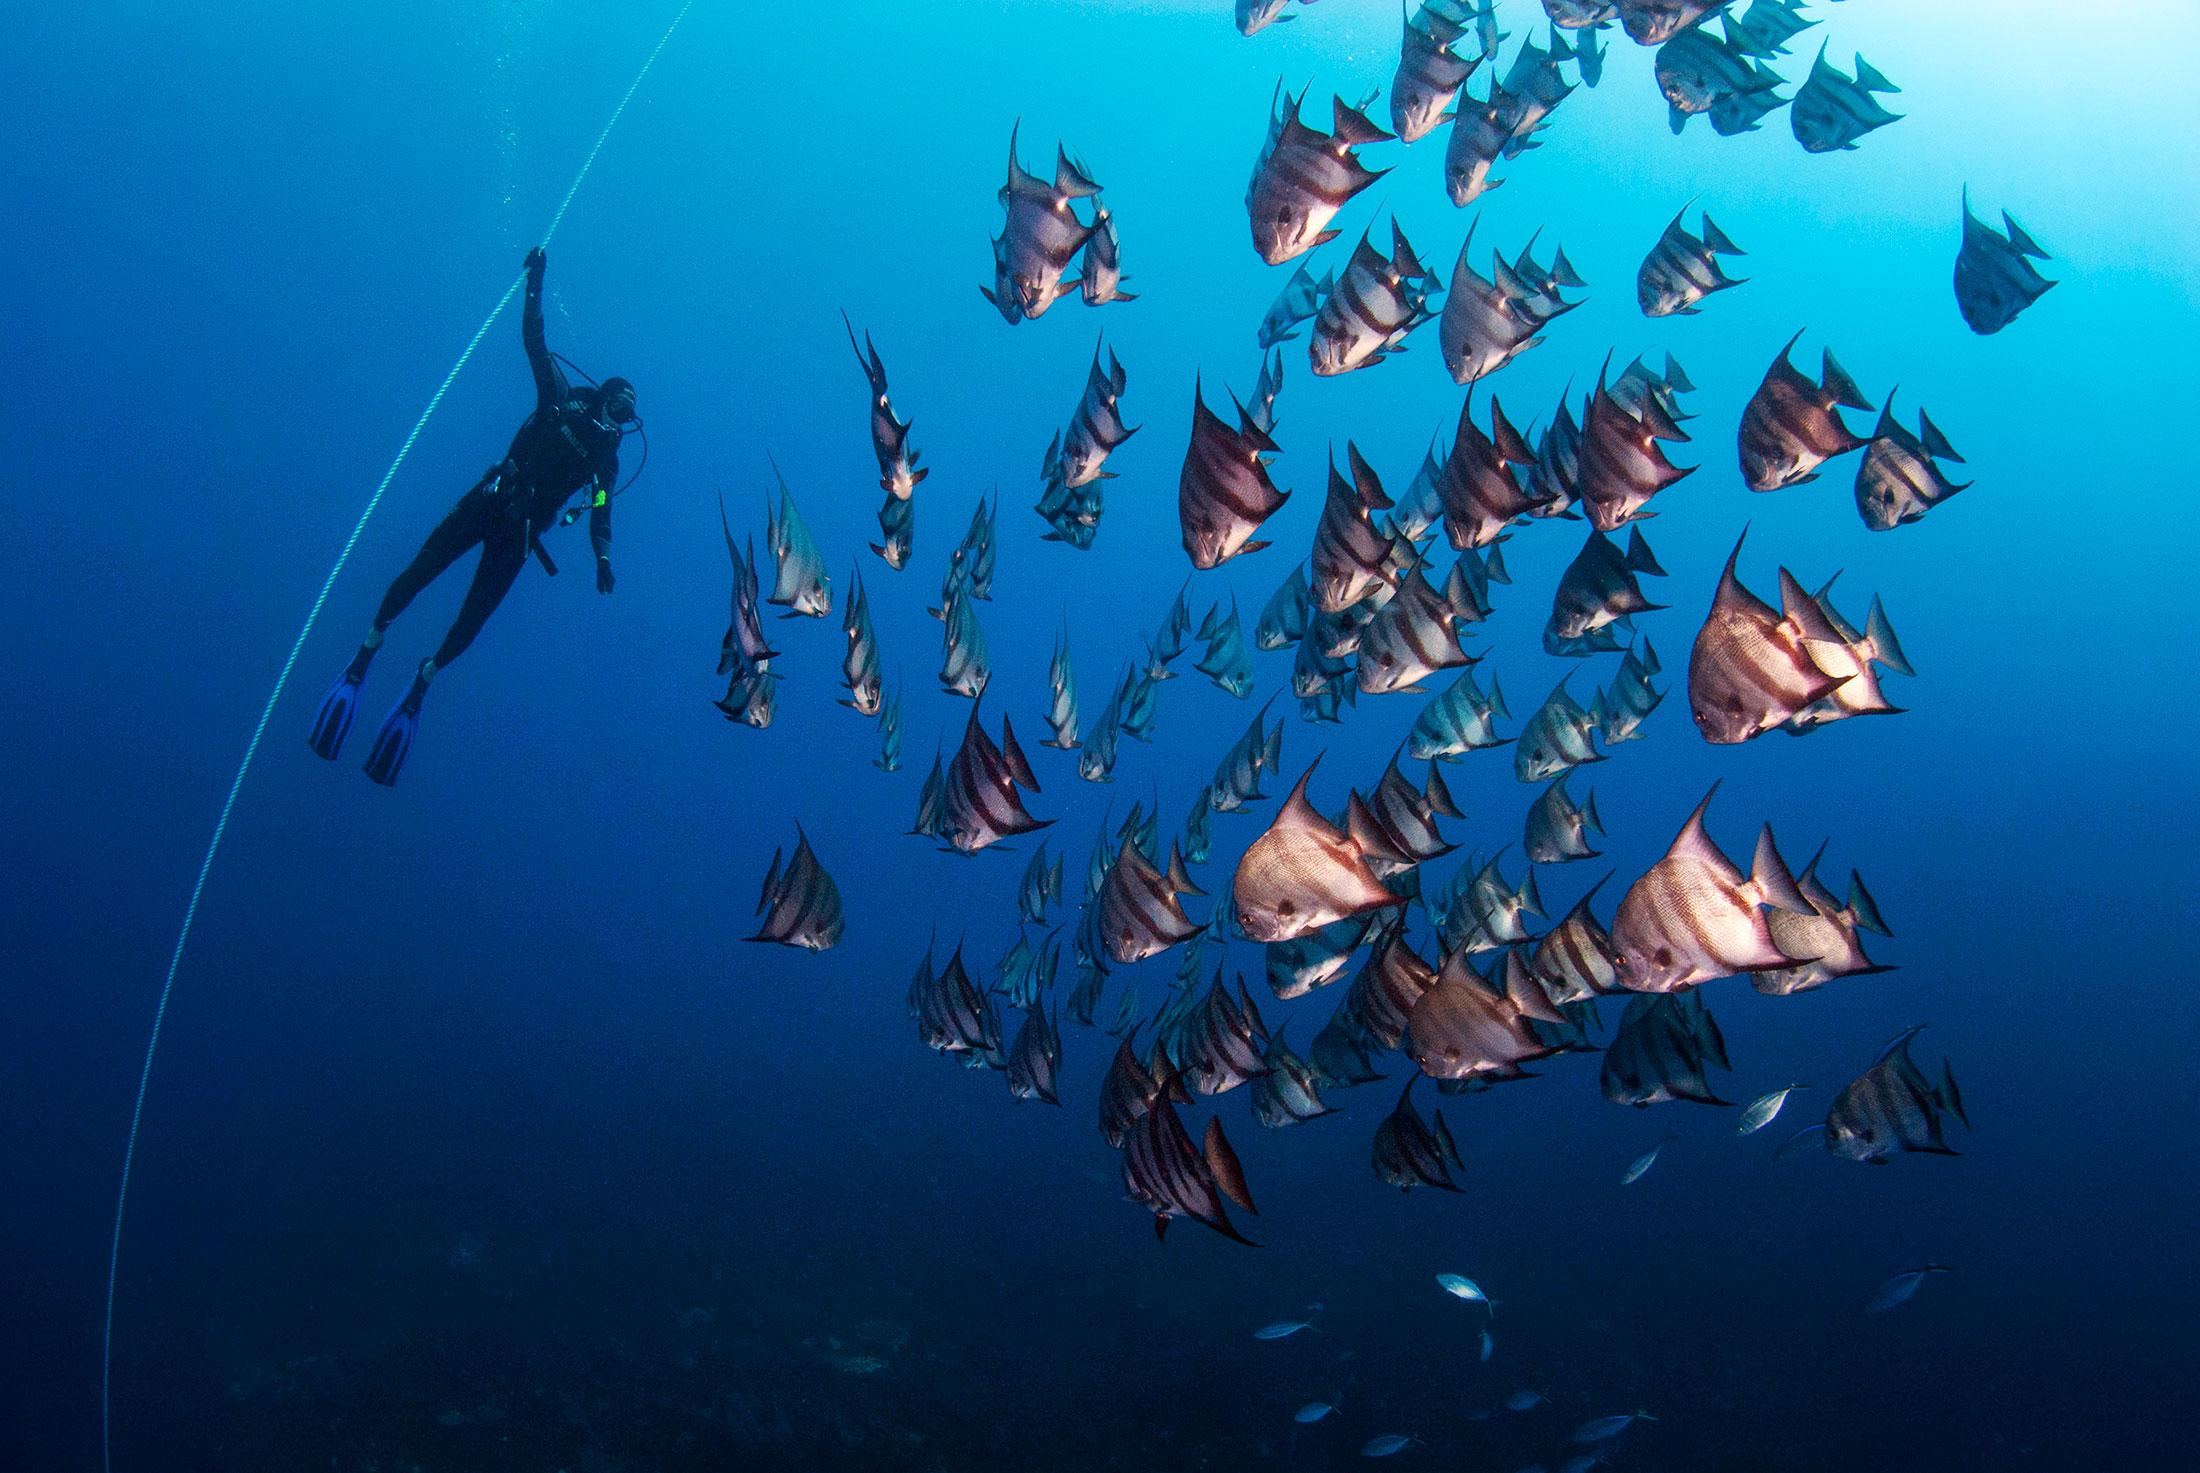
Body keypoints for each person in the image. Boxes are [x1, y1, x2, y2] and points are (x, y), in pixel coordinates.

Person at [308, 247, 636, 784]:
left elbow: (602, 509)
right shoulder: (558, 398)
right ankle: (368, 648)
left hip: (521, 537)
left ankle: (424, 681)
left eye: (629, 415)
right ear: (603, 397)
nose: (622, 420)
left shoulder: (608, 459)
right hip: (489, 500)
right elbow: (535, 341)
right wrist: (536, 282)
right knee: (418, 573)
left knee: (472, 621)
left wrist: (602, 558)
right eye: (620, 407)